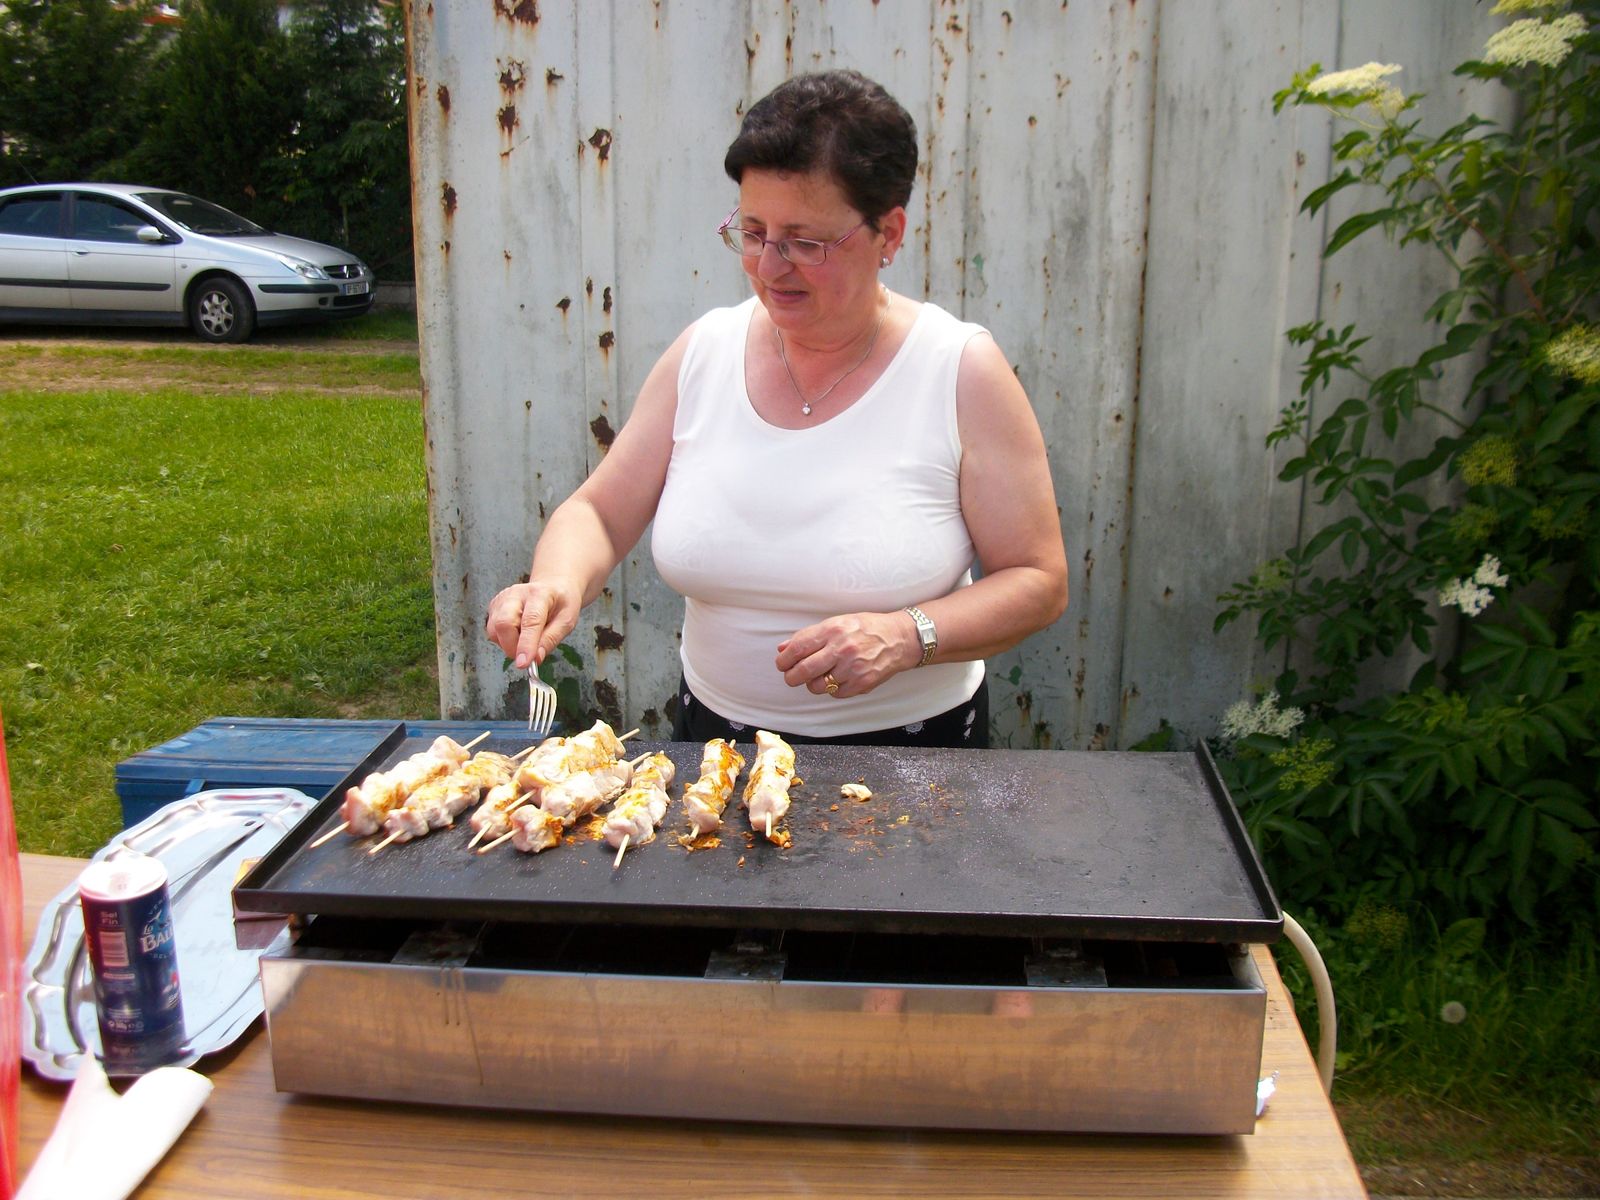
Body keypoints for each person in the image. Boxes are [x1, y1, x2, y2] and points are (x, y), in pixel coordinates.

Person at [485, 69, 1067, 748]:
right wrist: (554, 583)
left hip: (910, 751)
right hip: (713, 741)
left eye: (805, 242)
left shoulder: (959, 370)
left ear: (889, 232)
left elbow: (1038, 580)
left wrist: (909, 634)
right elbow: (599, 512)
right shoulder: (704, 353)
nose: (768, 265)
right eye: (753, 232)